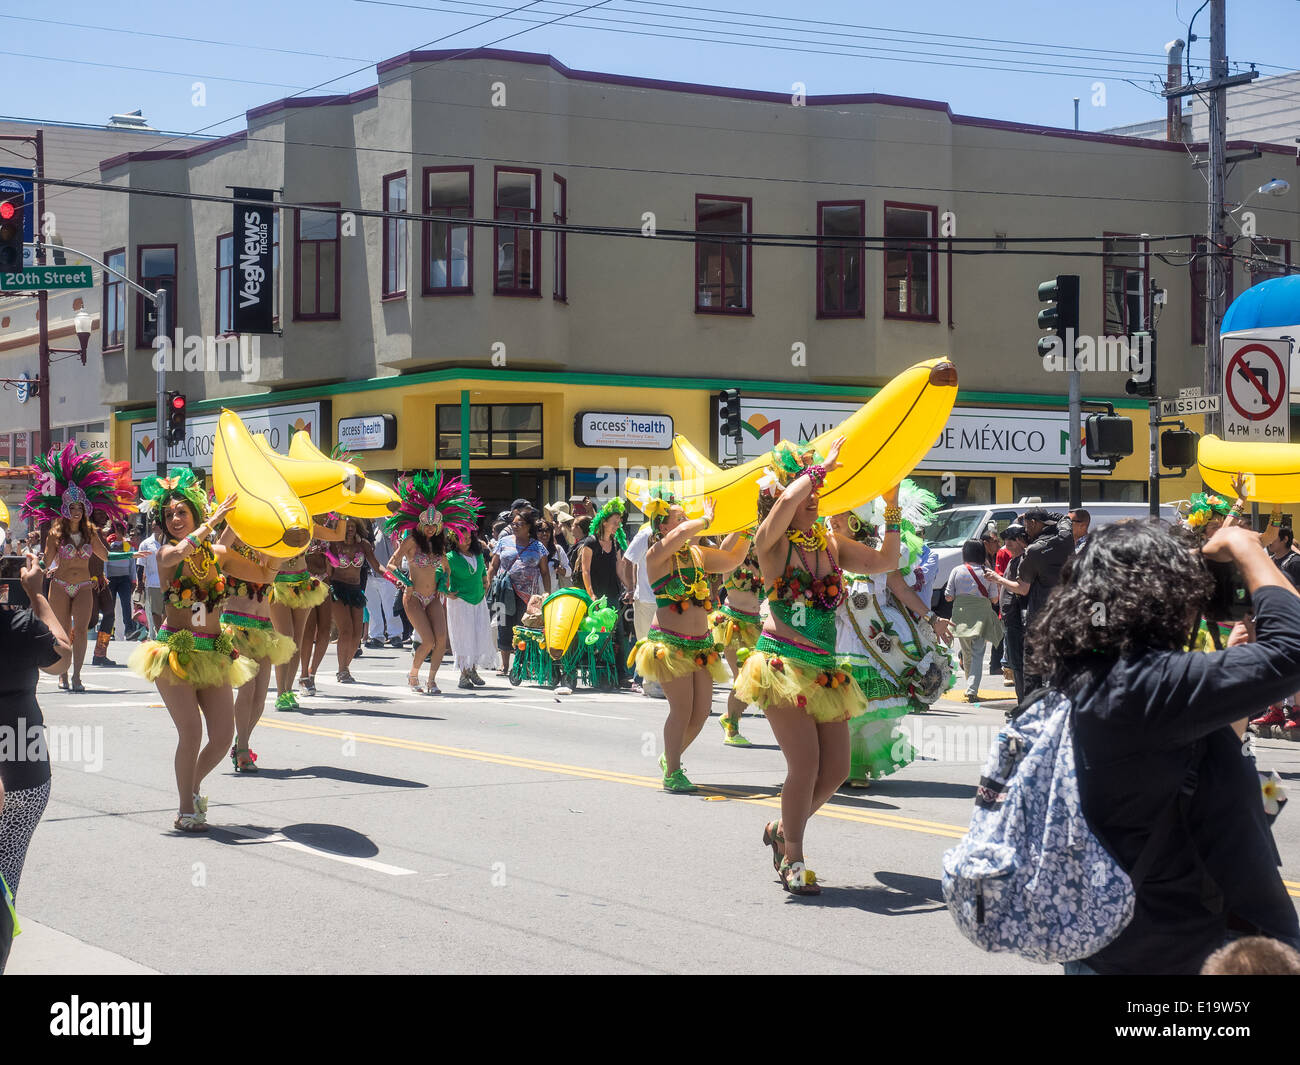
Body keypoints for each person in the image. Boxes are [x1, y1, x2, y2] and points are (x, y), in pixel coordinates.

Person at [1026, 520, 1300, 974]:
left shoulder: (1087, 675)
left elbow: (1206, 749)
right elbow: (1292, 647)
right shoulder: (1147, 686)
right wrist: (1247, 549)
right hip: (1193, 951)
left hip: (1110, 946)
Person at [732, 440, 867, 895]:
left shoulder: (828, 546)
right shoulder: (768, 544)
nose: (814, 499)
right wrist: (817, 470)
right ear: (781, 501)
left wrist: (891, 510)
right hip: (781, 666)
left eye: (817, 496)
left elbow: (887, 562)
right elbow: (789, 499)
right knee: (805, 765)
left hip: (826, 671)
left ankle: (781, 828)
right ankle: (794, 859)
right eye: (805, 495)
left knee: (837, 769)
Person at [127, 470, 259, 831]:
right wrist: (214, 521)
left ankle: (192, 784)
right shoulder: (166, 553)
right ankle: (186, 807)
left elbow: (265, 575)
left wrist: (289, 540)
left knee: (221, 738)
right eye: (170, 514)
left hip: (214, 654)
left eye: (182, 512)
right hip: (175, 656)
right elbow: (180, 553)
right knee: (191, 732)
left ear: (195, 515)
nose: (175, 519)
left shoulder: (218, 553)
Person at [831, 482, 954, 785]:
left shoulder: (881, 551)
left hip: (877, 638)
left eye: (840, 515)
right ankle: (837, 766)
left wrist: (932, 617)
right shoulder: (826, 550)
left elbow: (899, 588)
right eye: (831, 515)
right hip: (842, 633)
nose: (832, 520)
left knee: (868, 709)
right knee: (841, 706)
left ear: (855, 519)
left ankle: (856, 767)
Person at [628, 490, 747, 792]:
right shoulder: (655, 556)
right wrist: (706, 518)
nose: (686, 521)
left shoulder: (697, 555)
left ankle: (672, 757)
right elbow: (684, 532)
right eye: (679, 517)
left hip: (701, 645)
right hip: (670, 645)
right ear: (663, 528)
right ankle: (672, 772)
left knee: (701, 711)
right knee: (681, 710)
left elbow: (733, 558)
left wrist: (747, 525)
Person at [22, 443, 129, 692]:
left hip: (83, 585)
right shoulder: (55, 534)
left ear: (85, 509)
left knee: (80, 631)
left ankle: (77, 675)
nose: (77, 511)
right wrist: (37, 561)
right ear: (65, 510)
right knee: (60, 633)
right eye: (73, 507)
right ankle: (63, 673)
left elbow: (105, 556)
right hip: (59, 585)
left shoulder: (91, 533)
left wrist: (132, 552)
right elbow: (48, 560)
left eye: (80, 507)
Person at [0, 555, 72, 907]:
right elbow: (62, 657)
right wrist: (38, 595)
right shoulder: (21, 623)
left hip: (21, 774)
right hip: (23, 771)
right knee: (5, 879)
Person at [386, 473, 480, 694]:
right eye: (426, 524)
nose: (429, 528)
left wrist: (444, 587)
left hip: (433, 597)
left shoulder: (439, 546)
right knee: (427, 641)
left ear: (440, 525)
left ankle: (431, 681)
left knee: (441, 640)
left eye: (434, 524)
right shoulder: (410, 542)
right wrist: (406, 582)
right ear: (419, 523)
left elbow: (446, 568)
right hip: (414, 597)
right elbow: (391, 564)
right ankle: (413, 674)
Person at [217, 530, 290, 772]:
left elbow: (279, 560)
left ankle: (241, 741)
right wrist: (232, 523)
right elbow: (218, 549)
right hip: (237, 626)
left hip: (264, 629)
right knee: (246, 689)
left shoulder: (266, 551)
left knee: (260, 695)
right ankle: (243, 749)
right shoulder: (228, 553)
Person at [269, 518, 344, 709]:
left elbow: (337, 535)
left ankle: (287, 691)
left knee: (297, 641)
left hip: (302, 582)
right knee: (285, 637)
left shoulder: (306, 523)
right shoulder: (271, 519)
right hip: (278, 582)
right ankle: (280, 693)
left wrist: (343, 512)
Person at [709, 529, 764, 743]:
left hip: (755, 623)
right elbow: (724, 548)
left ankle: (729, 717)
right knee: (742, 678)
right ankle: (731, 729)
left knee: (757, 681)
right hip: (734, 626)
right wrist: (743, 525)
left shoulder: (757, 561)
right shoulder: (730, 561)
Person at [577, 497, 634, 690]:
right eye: (614, 522)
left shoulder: (616, 544)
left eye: (619, 522)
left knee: (618, 634)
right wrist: (591, 595)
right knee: (599, 634)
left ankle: (621, 674)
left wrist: (630, 588)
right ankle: (600, 671)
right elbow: (585, 571)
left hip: (613, 594)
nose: (617, 525)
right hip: (596, 597)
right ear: (603, 522)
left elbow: (619, 569)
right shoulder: (590, 542)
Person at [487, 508, 551, 677]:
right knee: (503, 626)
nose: (515, 526)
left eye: (519, 524)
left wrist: (547, 593)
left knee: (525, 629)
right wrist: (487, 584)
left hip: (528, 596)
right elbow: (493, 566)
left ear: (529, 526)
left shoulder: (538, 547)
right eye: (513, 524)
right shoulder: (504, 541)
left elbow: (544, 572)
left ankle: (525, 665)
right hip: (503, 591)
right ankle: (505, 665)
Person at [1016, 506, 1073, 692]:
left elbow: (1023, 583)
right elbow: (1065, 519)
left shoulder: (1034, 550)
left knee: (1033, 664)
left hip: (1040, 616)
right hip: (1063, 612)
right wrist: (1050, 517)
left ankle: (1030, 706)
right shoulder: (1065, 539)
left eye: (1026, 525)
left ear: (1033, 523)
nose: (1025, 530)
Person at [944, 539, 1002, 702]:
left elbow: (948, 596)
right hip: (981, 616)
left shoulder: (957, 570)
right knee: (977, 653)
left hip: (961, 616)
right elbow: (994, 599)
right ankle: (972, 689)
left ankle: (970, 687)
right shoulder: (987, 571)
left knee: (967, 653)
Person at [326, 519, 382, 684]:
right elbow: (328, 572)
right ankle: (342, 670)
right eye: (346, 526)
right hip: (338, 590)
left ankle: (345, 667)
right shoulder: (334, 545)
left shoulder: (363, 545)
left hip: (356, 590)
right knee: (346, 630)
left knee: (357, 634)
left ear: (357, 527)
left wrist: (394, 578)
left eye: (352, 526)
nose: (349, 529)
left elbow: (377, 566)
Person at [445, 522, 495, 690]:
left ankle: (473, 669)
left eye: (468, 538)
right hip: (460, 603)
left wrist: (485, 583)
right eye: (462, 538)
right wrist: (445, 592)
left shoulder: (478, 554)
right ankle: (463, 675)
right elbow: (438, 575)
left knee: (478, 634)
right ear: (454, 540)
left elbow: (483, 574)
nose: (466, 541)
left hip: (478, 600)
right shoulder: (450, 557)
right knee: (464, 637)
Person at [984, 525, 1030, 699]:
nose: (1006, 544)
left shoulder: (1023, 560)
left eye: (1010, 540)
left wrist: (998, 579)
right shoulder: (1014, 559)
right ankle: (1021, 701)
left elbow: (1022, 589)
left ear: (1019, 540)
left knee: (1019, 662)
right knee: (1015, 662)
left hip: (1018, 619)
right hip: (1011, 617)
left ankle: (1023, 702)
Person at [621, 518, 664, 698]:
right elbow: (628, 559)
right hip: (647, 597)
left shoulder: (674, 534)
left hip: (667, 597)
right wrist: (630, 588)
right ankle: (650, 684)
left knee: (665, 643)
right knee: (647, 641)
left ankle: (662, 683)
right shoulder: (645, 534)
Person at [297, 533, 334, 697]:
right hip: (305, 579)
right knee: (309, 630)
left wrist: (328, 554)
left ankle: (313, 672)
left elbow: (336, 560)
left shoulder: (328, 529)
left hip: (324, 580)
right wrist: (310, 550)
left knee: (325, 630)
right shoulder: (303, 527)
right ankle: (303, 675)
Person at [365, 523, 399, 648]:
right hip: (369, 574)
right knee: (372, 608)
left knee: (390, 606)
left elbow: (384, 525)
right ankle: (376, 636)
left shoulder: (384, 525)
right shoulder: (369, 528)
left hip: (385, 574)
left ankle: (395, 635)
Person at [135, 518, 166, 639]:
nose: (155, 528)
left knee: (167, 612)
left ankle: (165, 633)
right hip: (153, 583)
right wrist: (140, 583)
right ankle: (160, 635)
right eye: (153, 525)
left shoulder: (170, 541)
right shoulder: (146, 544)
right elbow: (140, 564)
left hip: (169, 583)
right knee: (155, 612)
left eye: (157, 525)